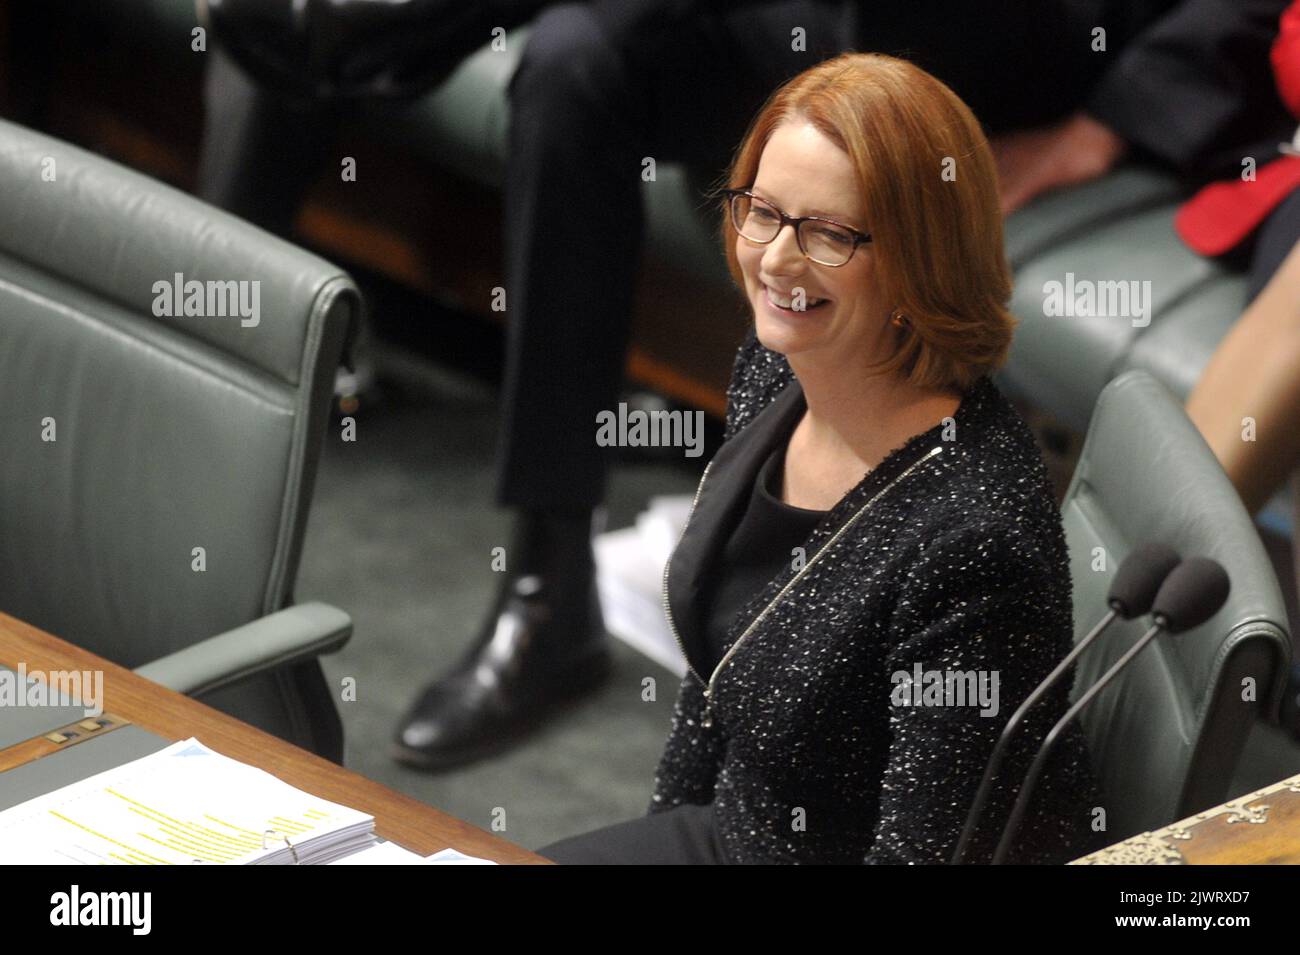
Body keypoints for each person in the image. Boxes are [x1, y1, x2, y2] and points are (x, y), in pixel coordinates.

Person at [537, 52, 1107, 864]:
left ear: (923, 259)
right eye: (761, 211)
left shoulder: (973, 541)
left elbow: (924, 851)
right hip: (736, 836)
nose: (775, 260)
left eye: (829, 234)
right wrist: (655, 834)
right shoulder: (779, 369)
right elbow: (718, 685)